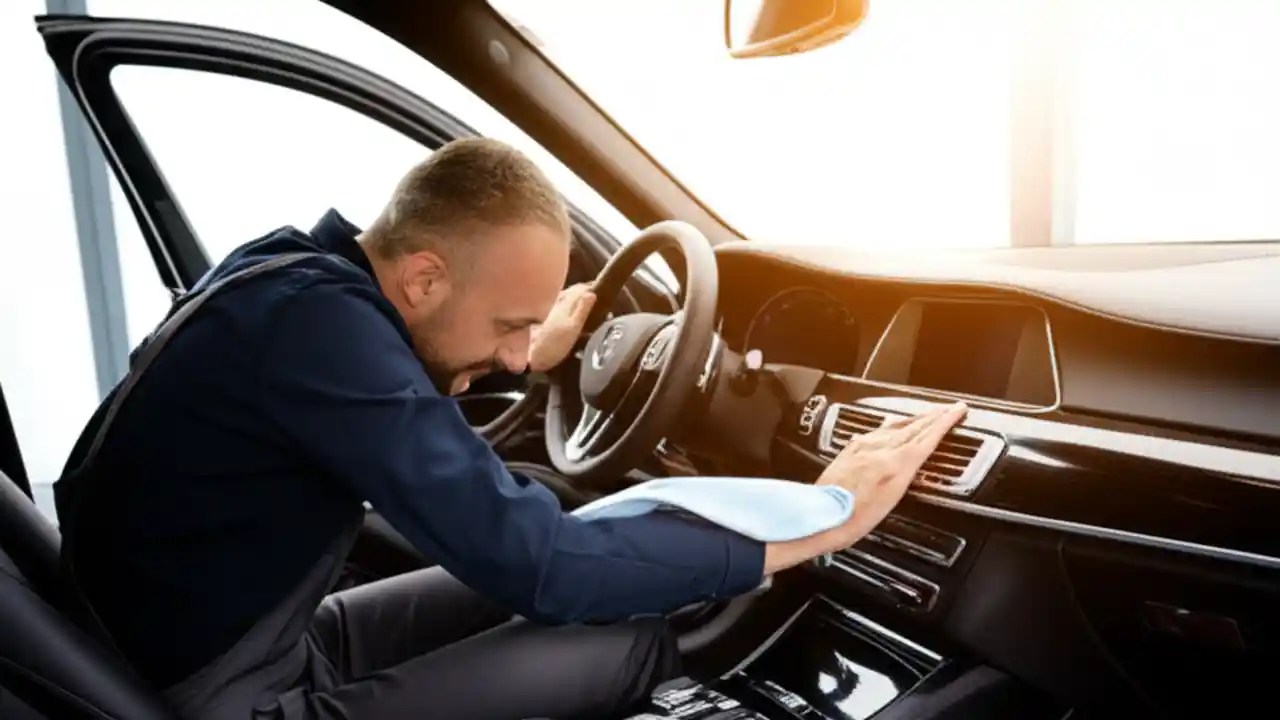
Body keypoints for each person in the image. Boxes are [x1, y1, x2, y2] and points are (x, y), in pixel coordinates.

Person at [54, 137, 965, 720]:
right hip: (227, 698)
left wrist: (540, 340)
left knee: (593, 551)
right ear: (422, 280)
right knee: (631, 638)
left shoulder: (293, 278)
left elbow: (389, 420)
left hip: (248, 640)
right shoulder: (322, 333)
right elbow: (545, 566)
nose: (526, 357)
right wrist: (822, 520)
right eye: (511, 326)